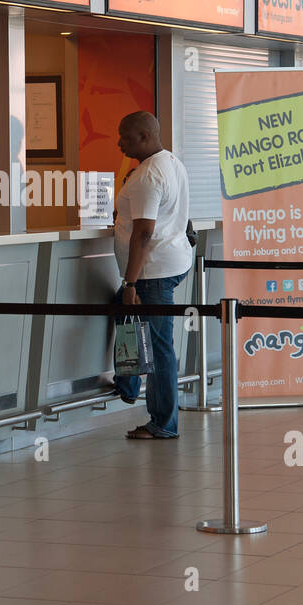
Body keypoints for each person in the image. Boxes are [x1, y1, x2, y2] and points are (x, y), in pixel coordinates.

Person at [111, 111, 193, 439]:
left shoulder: (147, 176)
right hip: (170, 262)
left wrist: (131, 282)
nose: (119, 143)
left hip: (154, 271)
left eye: (126, 138)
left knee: (160, 346)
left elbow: (144, 234)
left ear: (144, 137)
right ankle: (128, 383)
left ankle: (163, 423)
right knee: (123, 310)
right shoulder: (169, 162)